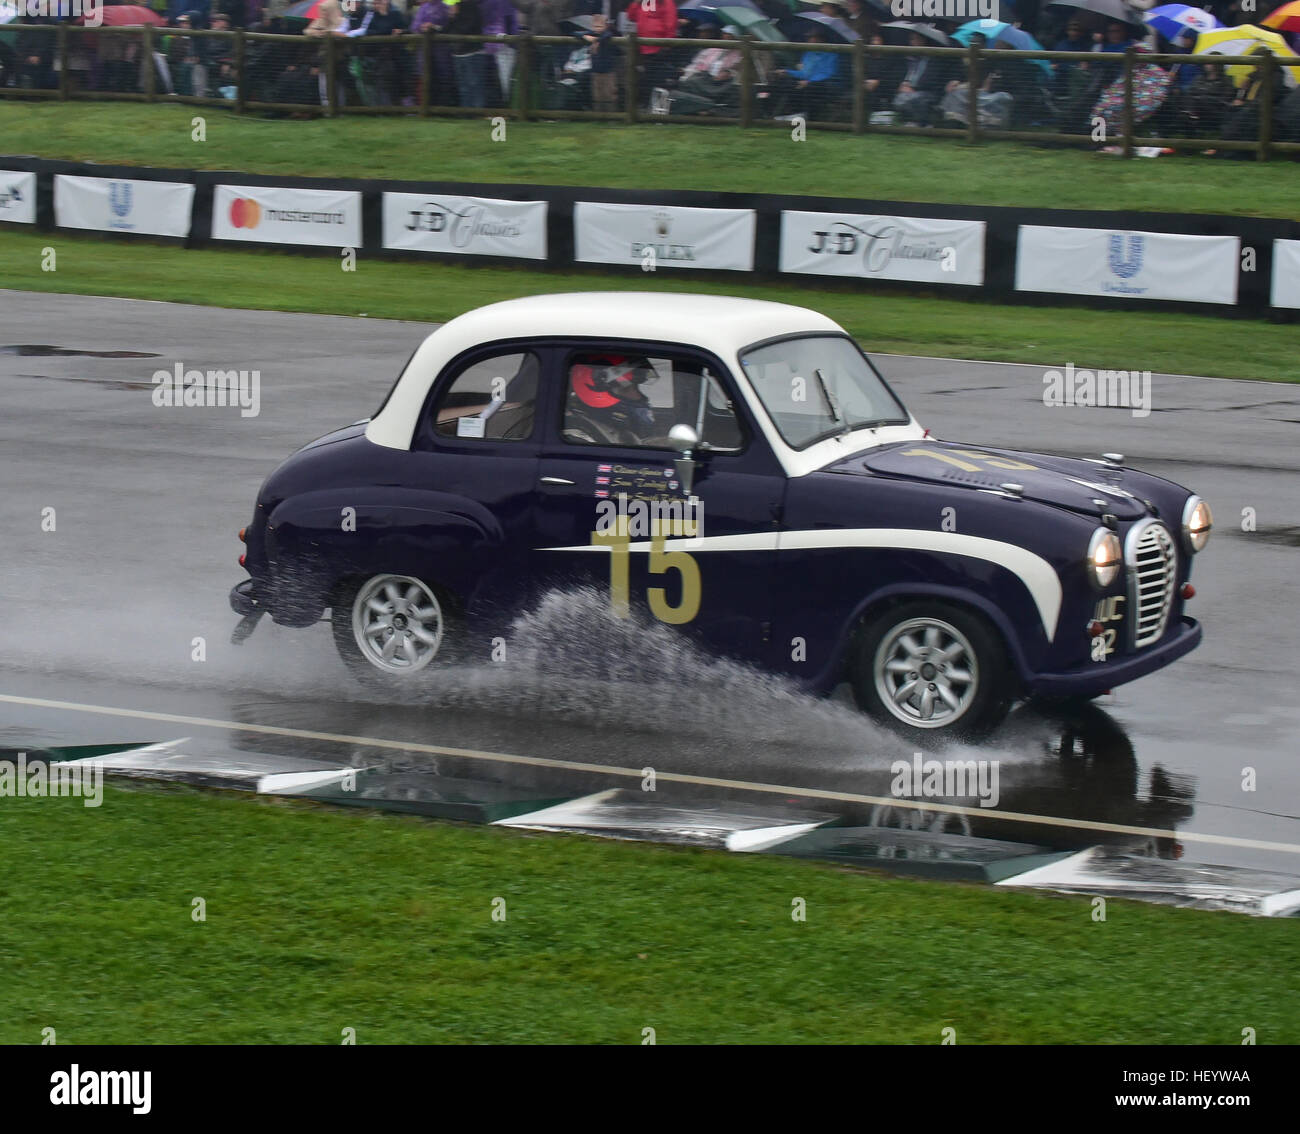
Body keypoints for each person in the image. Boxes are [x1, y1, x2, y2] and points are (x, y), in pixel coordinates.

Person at [565, 355, 659, 446]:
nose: (637, 397)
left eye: (636, 388)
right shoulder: (576, 438)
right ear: (595, 392)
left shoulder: (621, 432)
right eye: (625, 389)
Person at [771, 29, 841, 120]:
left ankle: (804, 115)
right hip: (807, 82)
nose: (811, 40)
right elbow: (804, 73)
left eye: (814, 38)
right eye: (810, 38)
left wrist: (809, 82)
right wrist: (787, 72)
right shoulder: (808, 54)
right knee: (786, 83)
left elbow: (828, 74)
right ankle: (787, 113)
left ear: (821, 39)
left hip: (826, 84)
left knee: (807, 88)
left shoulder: (832, 55)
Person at [625, 0, 678, 98]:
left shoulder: (667, 2)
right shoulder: (644, 2)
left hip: (659, 48)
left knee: (657, 80)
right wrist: (636, 2)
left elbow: (671, 23)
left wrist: (666, 45)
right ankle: (644, 103)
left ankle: (654, 105)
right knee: (643, 79)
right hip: (642, 48)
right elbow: (631, 16)